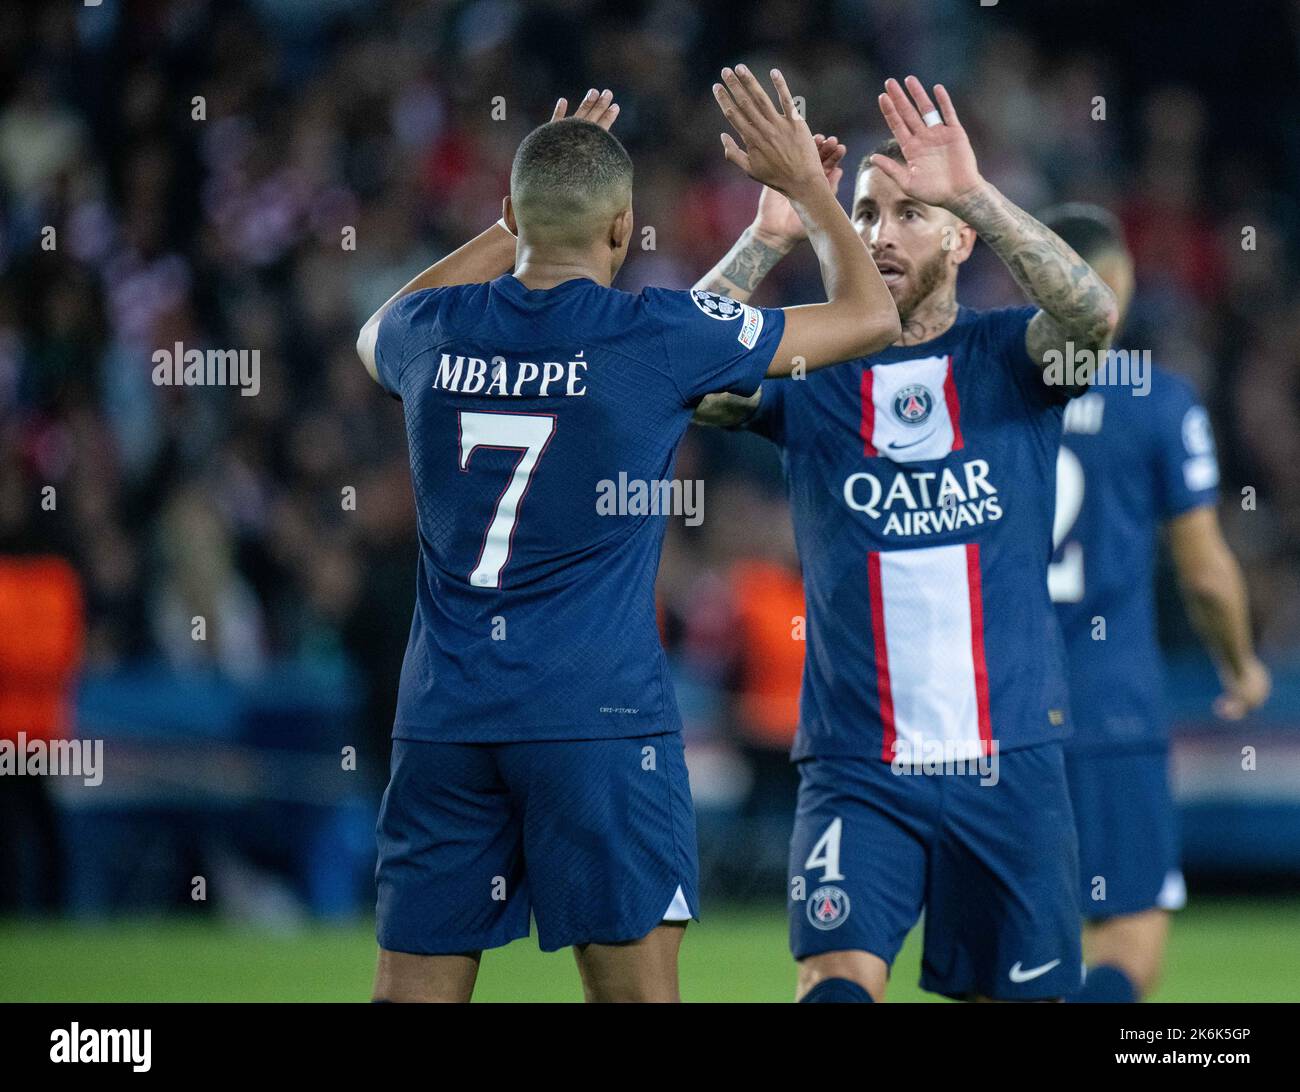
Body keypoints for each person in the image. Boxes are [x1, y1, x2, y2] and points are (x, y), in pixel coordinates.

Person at [355, 75, 899, 1002]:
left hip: (444, 720)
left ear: (519, 216)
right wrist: (806, 194)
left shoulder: (429, 331)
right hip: (597, 724)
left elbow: (373, 328)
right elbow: (870, 319)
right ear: (622, 230)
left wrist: (515, 225)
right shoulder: (648, 333)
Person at [693, 76, 1118, 1001]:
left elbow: (1093, 318)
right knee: (835, 989)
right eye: (863, 214)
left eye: (909, 214)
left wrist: (975, 191)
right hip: (857, 767)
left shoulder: (1012, 357)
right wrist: (768, 235)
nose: (879, 234)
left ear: (959, 238)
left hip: (1008, 761)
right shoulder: (808, 368)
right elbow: (674, 373)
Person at [1037, 203, 1271, 1003]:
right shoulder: (1156, 400)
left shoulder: (984, 391)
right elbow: (1204, 570)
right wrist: (1242, 667)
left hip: (995, 713)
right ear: (1116, 285)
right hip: (1109, 714)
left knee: (1013, 958)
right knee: (1127, 946)